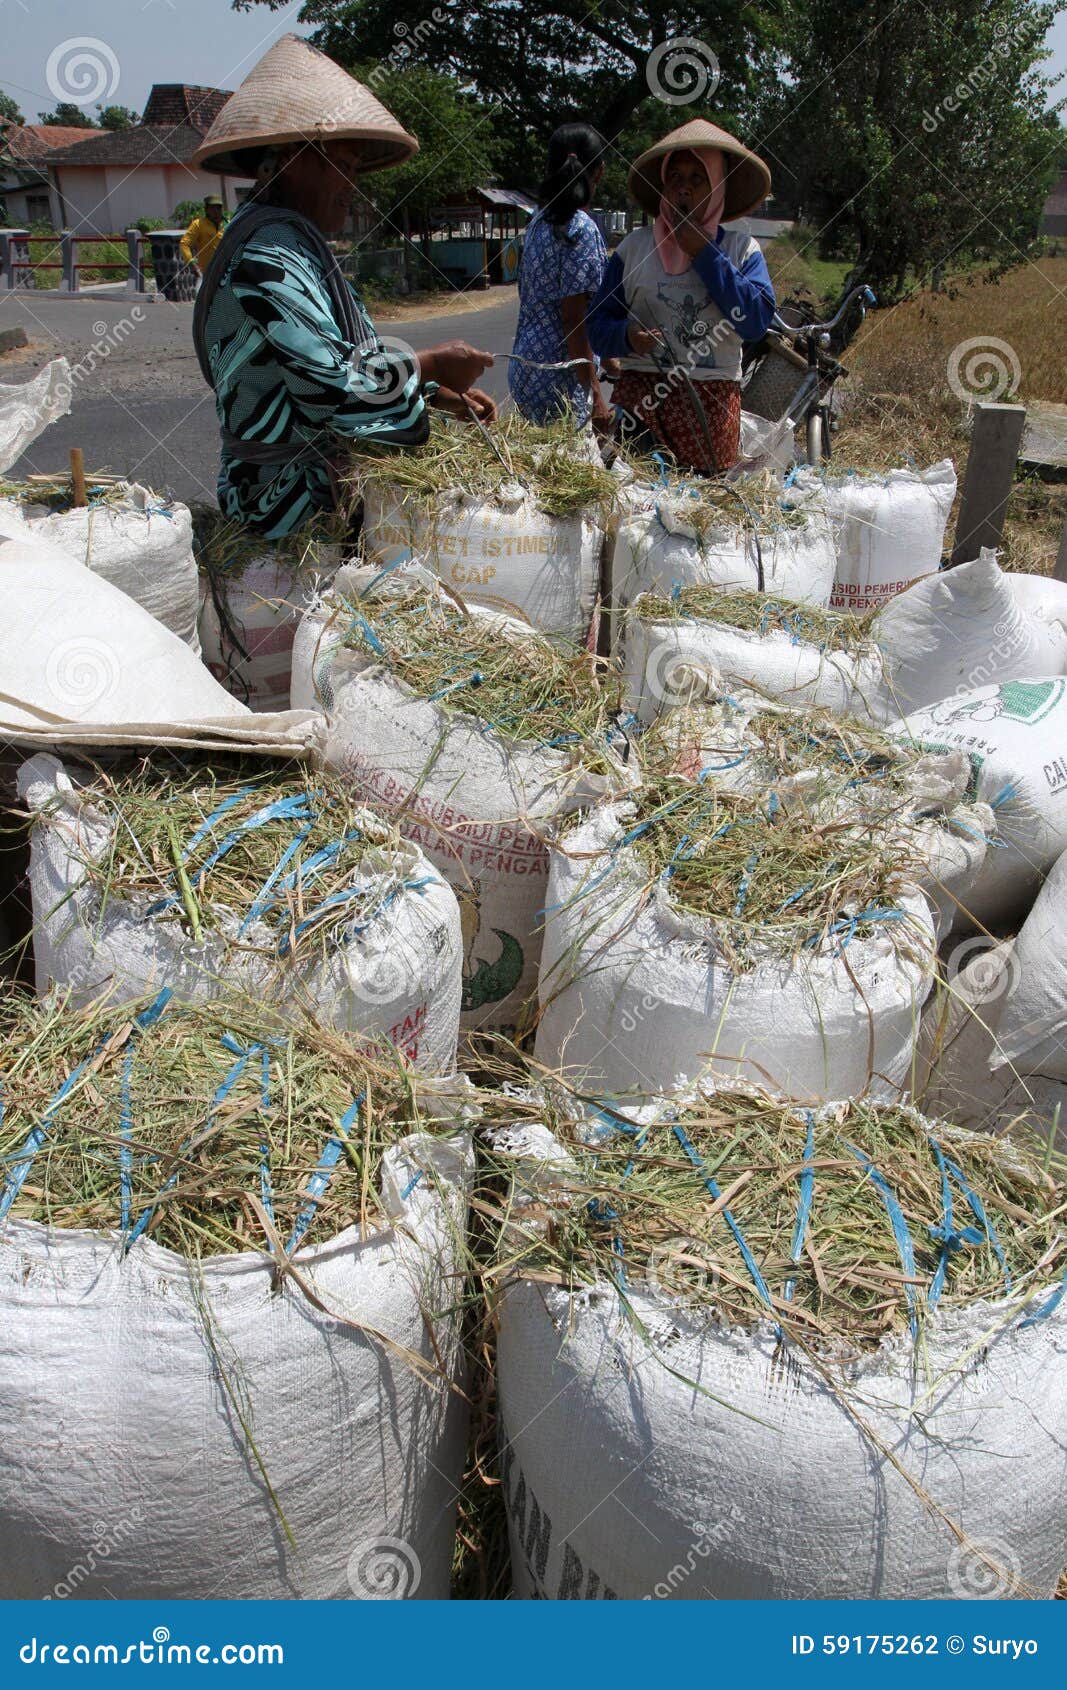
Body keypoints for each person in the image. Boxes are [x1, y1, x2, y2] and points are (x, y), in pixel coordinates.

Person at [190, 33, 496, 539]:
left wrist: (431, 392)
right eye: (345, 167)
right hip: (284, 517)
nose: (352, 188)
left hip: (313, 506)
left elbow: (342, 360)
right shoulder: (268, 254)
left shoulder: (292, 244)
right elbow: (330, 389)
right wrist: (431, 364)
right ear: (290, 158)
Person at [588, 118, 775, 474]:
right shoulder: (635, 248)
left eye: (696, 179)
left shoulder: (740, 251)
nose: (683, 190)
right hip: (641, 403)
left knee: (696, 511)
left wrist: (706, 255)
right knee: (634, 506)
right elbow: (596, 324)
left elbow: (755, 321)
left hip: (710, 404)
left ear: (717, 186)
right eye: (675, 178)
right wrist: (625, 336)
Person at [508, 123, 613, 436]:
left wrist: (606, 359)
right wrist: (596, 394)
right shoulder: (580, 229)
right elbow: (573, 320)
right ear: (600, 172)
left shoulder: (538, 219)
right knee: (568, 469)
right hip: (560, 377)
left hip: (525, 366)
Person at [179, 194, 226, 273]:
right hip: (207, 272)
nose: (216, 211)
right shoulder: (199, 224)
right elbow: (184, 244)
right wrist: (191, 263)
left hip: (226, 270)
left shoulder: (228, 223)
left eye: (218, 208)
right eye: (213, 208)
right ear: (206, 210)